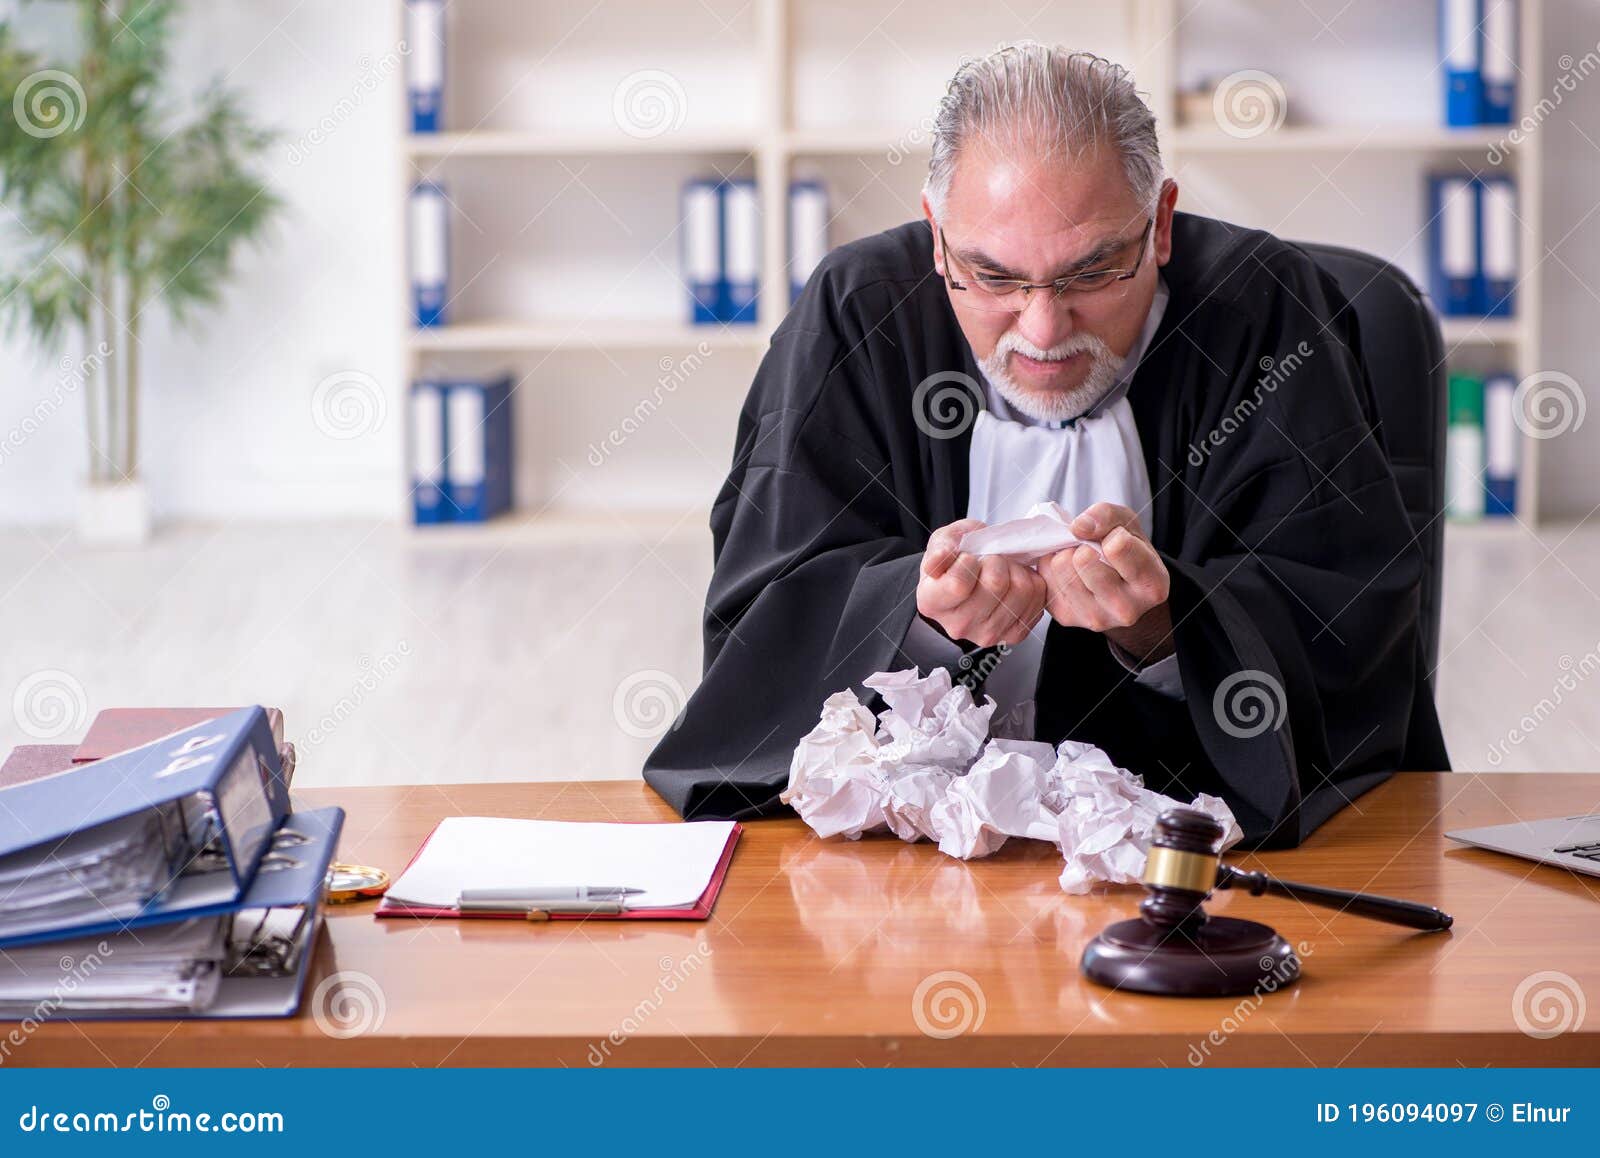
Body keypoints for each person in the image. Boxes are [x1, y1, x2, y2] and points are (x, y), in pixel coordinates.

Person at [644, 42, 1448, 845]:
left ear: (1160, 223)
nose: (1043, 330)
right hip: (904, 857)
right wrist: (919, 619)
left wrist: (1166, 628)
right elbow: (762, 621)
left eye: (1092, 273)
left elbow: (1350, 622)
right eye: (993, 278)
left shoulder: (1268, 312)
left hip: (1185, 836)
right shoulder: (858, 314)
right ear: (936, 236)